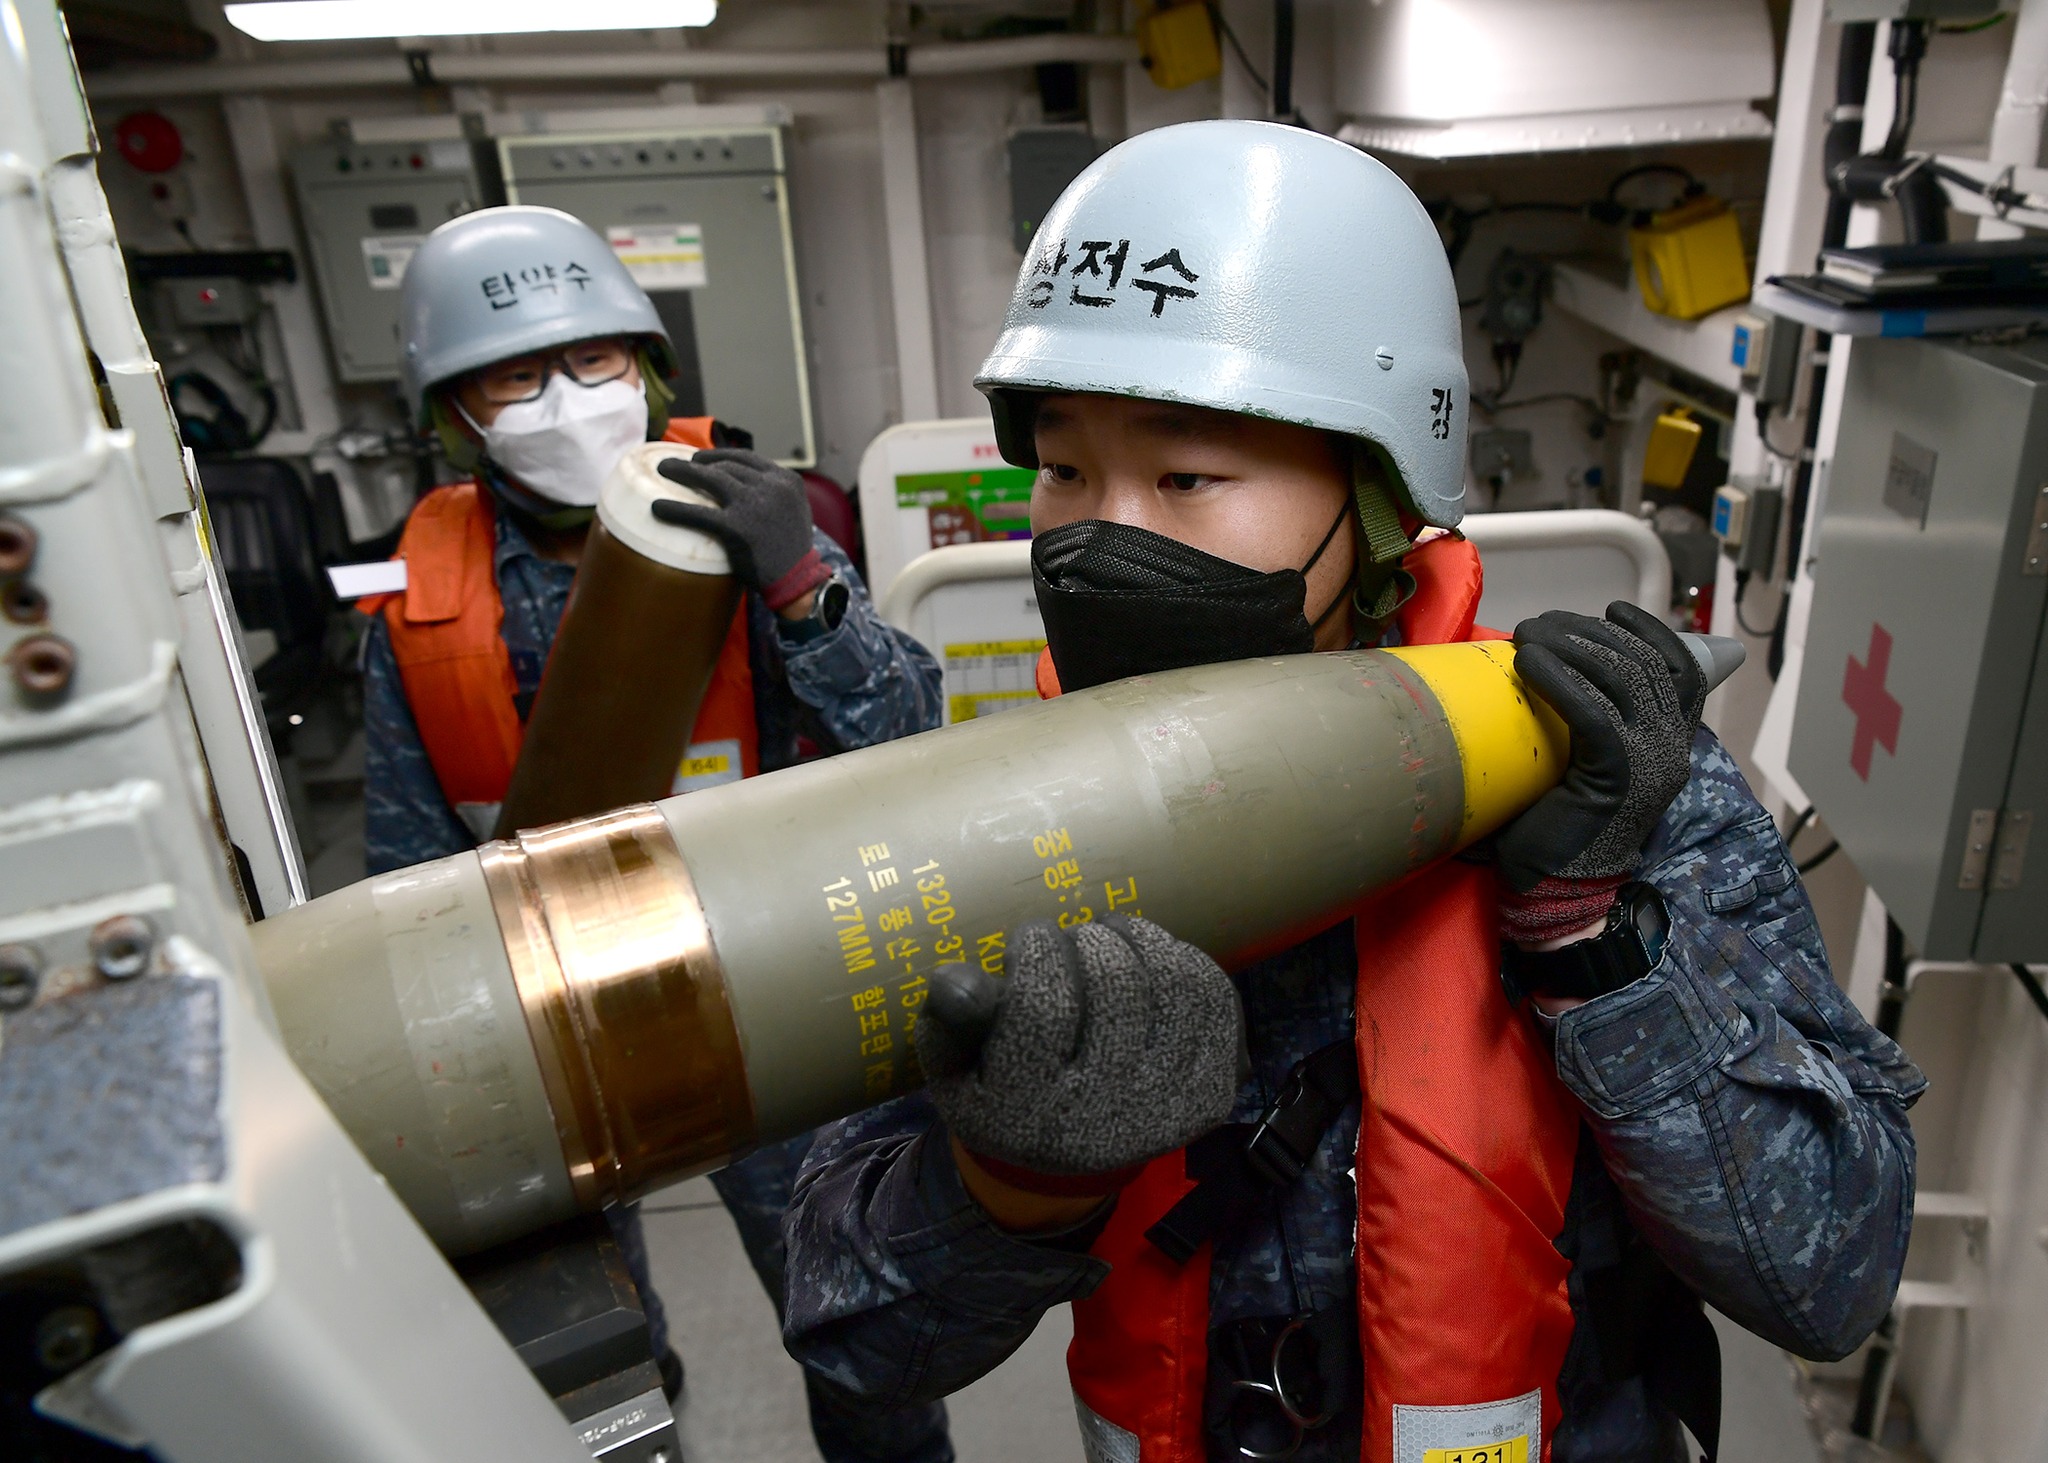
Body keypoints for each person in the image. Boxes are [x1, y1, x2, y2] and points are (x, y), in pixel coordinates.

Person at [780, 122, 1924, 1463]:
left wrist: (1596, 947)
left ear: (1377, 493)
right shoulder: (1004, 831)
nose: (1099, 535)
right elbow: (852, 1336)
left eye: (1187, 474)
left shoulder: (1603, 788)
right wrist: (1003, 1180)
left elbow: (1826, 1274)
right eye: (1063, 466)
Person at [360, 205, 952, 1463]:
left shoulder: (748, 526)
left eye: (594, 360)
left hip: (765, 974)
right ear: (456, 411)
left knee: (860, 1320)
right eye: (516, 376)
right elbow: (401, 876)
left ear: (646, 367)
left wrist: (801, 585)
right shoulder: (420, 605)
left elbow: (908, 734)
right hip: (541, 1016)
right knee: (590, 1359)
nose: (567, 400)